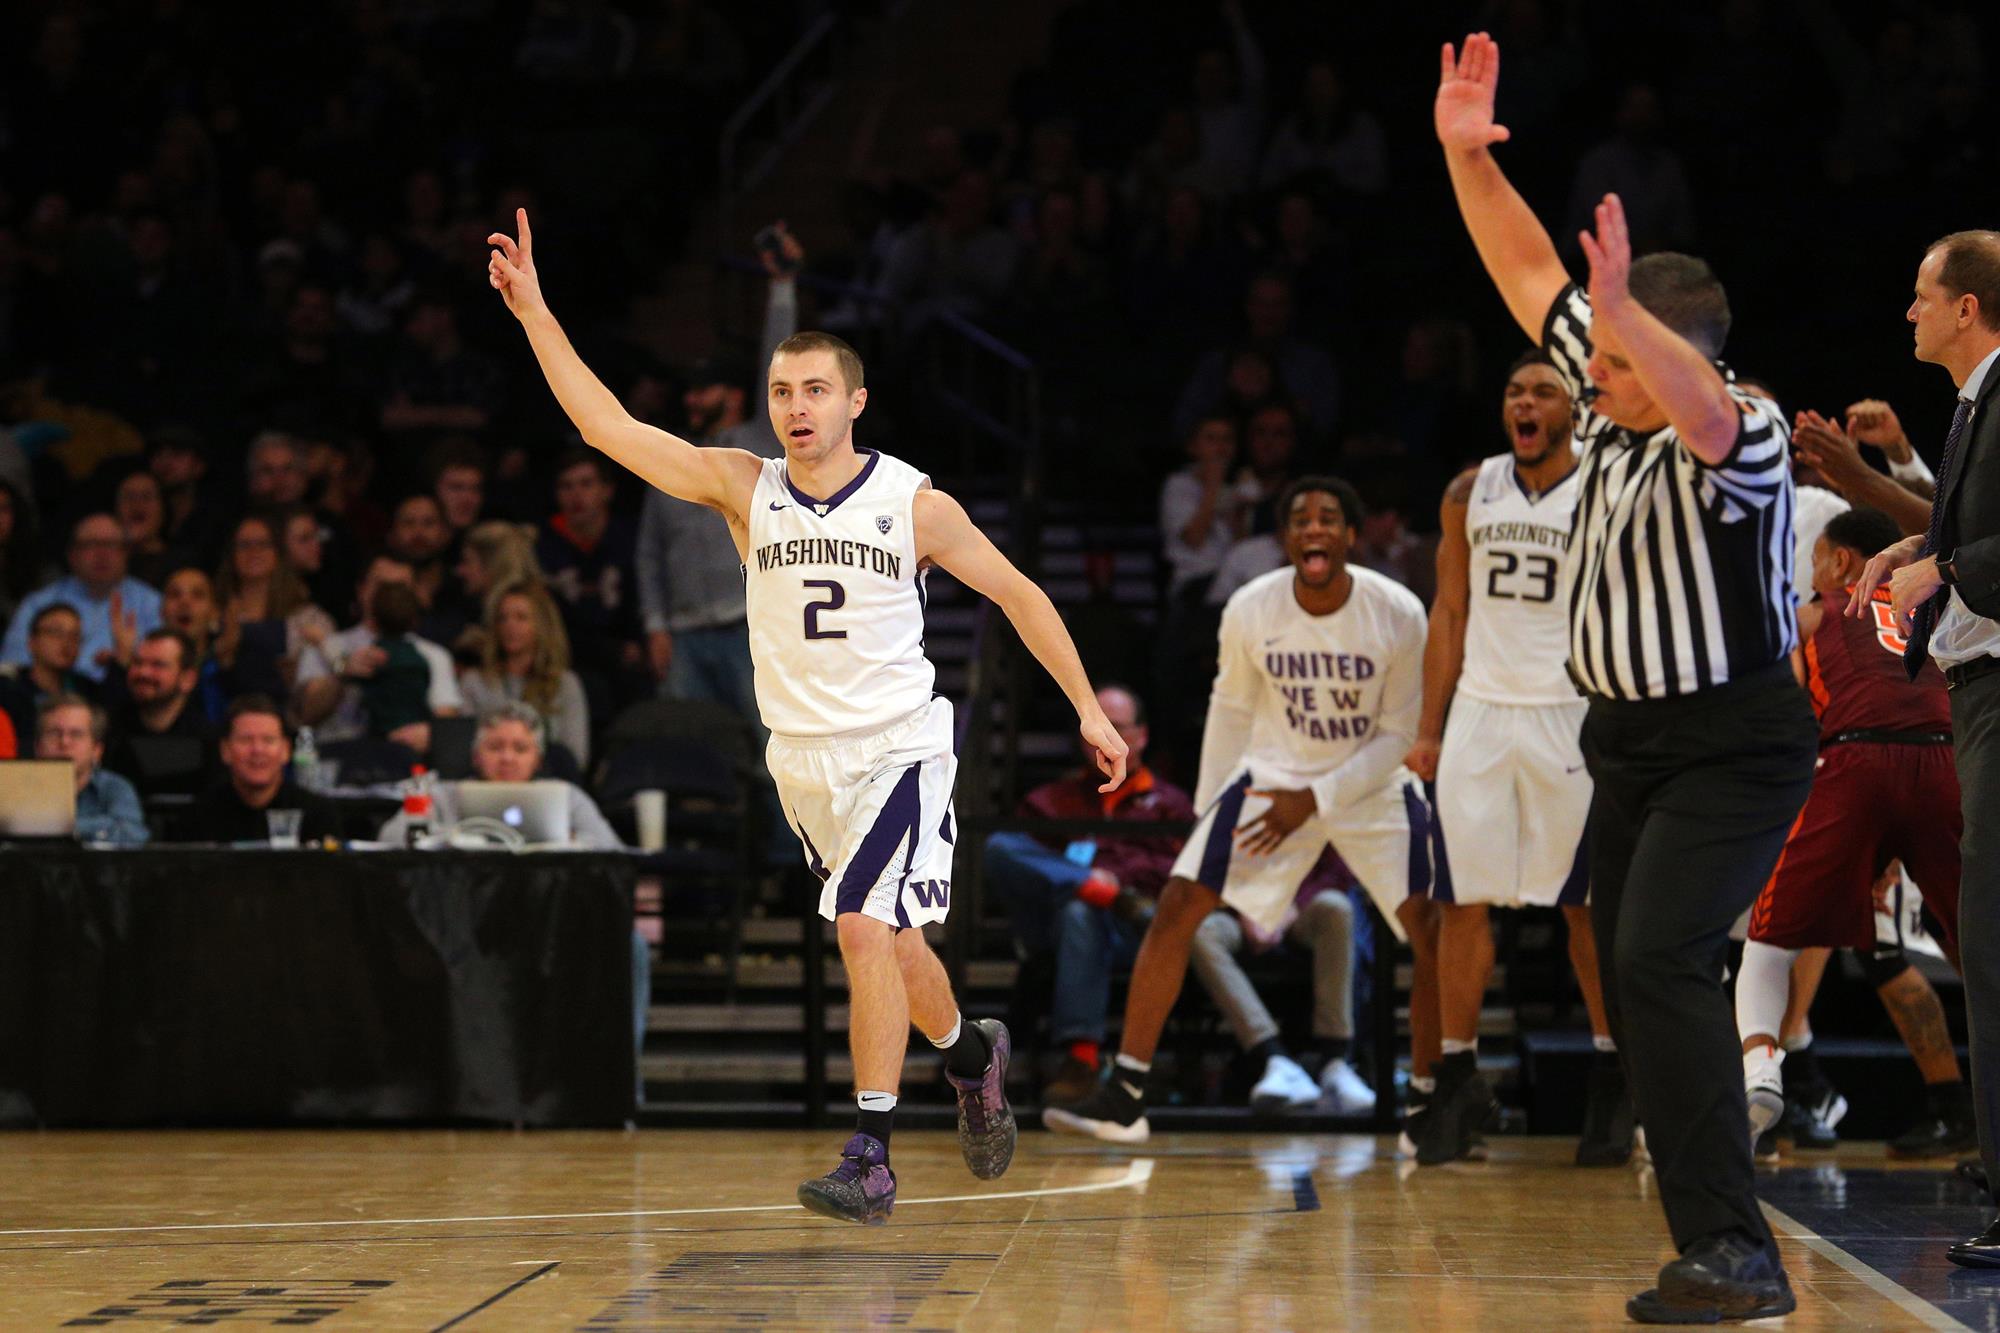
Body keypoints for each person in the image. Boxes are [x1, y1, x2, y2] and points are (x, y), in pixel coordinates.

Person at [488, 208, 1126, 1224]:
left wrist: (1086, 707)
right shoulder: (742, 489)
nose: (795, 406)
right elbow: (605, 428)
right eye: (781, 391)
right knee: (901, 949)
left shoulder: (914, 503)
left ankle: (870, 1156)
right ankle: (971, 1055)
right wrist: (534, 313)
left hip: (901, 749)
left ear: (854, 401)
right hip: (804, 762)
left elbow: (1018, 593)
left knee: (864, 931)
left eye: (814, 389)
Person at [1436, 34, 1818, 1322]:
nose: (1576, 382)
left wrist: (1630, 322)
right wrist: (1461, 155)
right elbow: (1522, 266)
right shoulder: (1606, 398)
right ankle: (1713, 1233)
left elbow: (1701, 407)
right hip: (1627, 744)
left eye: (1601, 362)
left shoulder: (1741, 434)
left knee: (1655, 962)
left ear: (1660, 347)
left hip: (1732, 739)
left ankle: (1735, 1247)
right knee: (1642, 965)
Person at [1045, 477, 1435, 1145]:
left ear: (1348, 537)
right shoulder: (1251, 605)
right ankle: (1127, 1092)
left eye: (1329, 518)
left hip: (1369, 778)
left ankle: (1436, 1095)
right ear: (1286, 540)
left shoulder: (1397, 609)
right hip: (1275, 773)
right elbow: (1229, 712)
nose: (1313, 527)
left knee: (1435, 923)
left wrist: (1313, 800)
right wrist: (1209, 814)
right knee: (1178, 904)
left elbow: (1401, 736)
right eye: (1300, 519)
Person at [1403, 351, 1623, 1167]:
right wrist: (1431, 725)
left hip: (1571, 710)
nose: (1524, 402)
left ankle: (1613, 1075)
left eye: (1542, 392)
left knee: (1585, 908)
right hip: (1484, 713)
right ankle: (1458, 1076)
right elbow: (1449, 610)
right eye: (1513, 389)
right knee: (1460, 900)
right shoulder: (1471, 489)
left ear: (1574, 408)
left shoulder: (1604, 485)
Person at [1848, 229, 2000, 1270]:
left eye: (1918, 296)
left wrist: (1942, 563)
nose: (1907, 312)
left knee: (1989, 946)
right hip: (1975, 692)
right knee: (1982, 946)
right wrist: (1921, 546)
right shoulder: (1974, 401)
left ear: (1966, 306)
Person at [1736, 507, 1966, 1134]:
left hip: (1853, 760)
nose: (1810, 575)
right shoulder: (1935, 603)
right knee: (1979, 943)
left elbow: (1781, 723)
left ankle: (1760, 1069)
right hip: (1948, 763)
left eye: (1815, 561)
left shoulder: (1816, 613)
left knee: (1768, 937)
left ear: (1840, 562)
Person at [979, 685, 1192, 1103]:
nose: (1109, 738)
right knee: (1003, 848)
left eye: (1121, 728)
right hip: (1056, 929)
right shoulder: (1052, 801)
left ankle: (1081, 1059)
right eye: (1100, 728)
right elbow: (1017, 863)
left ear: (1143, 736)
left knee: (1084, 912)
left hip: (1140, 931)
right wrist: (1087, 880)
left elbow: (1187, 874)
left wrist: (1120, 878)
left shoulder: (1170, 803)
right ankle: (1092, 891)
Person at [1189, 877, 1376, 1116]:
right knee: (1201, 930)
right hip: (1234, 910)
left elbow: (1336, 866)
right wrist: (1245, 908)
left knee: (1336, 905)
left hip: (1303, 907)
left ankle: (1336, 1062)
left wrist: (1291, 906)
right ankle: (1274, 1059)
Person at [294, 554, 464, 751]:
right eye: (382, 586)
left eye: (400, 588)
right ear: (361, 589)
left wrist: (429, 733)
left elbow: (446, 724)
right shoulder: (325, 648)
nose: (390, 596)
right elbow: (306, 716)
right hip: (338, 760)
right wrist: (342, 671)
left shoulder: (433, 655)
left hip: (403, 760)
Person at [0, 513, 162, 681]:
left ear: (126, 553)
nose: (102, 554)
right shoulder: (39, 604)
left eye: (111, 545)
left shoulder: (152, 603)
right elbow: (11, 667)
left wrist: (127, 661)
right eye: (91, 545)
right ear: (72, 555)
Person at [537, 447, 642, 690]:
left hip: (626, 661)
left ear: (607, 490)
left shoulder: (630, 538)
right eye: (566, 486)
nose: (576, 495)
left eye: (586, 484)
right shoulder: (542, 543)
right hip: (565, 660)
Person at [459, 580, 590, 768]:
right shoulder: (473, 681)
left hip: (547, 785)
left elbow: (576, 757)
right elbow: (463, 750)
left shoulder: (565, 683)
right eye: (502, 618)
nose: (510, 625)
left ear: (542, 625)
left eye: (521, 617)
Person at [182, 694, 341, 843]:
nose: (257, 750)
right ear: (225, 750)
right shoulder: (199, 816)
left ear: (286, 750)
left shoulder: (317, 815)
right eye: (246, 740)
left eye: (268, 740)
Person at [213, 512, 336, 700]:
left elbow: (331, 671)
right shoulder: (213, 612)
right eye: (244, 545)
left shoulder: (307, 617)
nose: (254, 552)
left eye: (263, 544)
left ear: (278, 553)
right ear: (231, 555)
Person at [102, 627, 217, 797]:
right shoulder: (108, 732)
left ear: (188, 679)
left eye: (158, 665)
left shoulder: (210, 741)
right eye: (137, 662)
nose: (143, 672)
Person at [36, 693, 149, 846]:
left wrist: (58, 828)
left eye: (76, 734)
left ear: (97, 749)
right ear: (38, 746)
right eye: (55, 733)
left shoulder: (115, 787)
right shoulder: (15, 787)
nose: (64, 742)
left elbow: (132, 834)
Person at [0, 602, 94, 746]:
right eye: (56, 632)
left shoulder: (88, 690)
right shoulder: (8, 692)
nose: (66, 642)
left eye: (74, 635)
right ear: (32, 642)